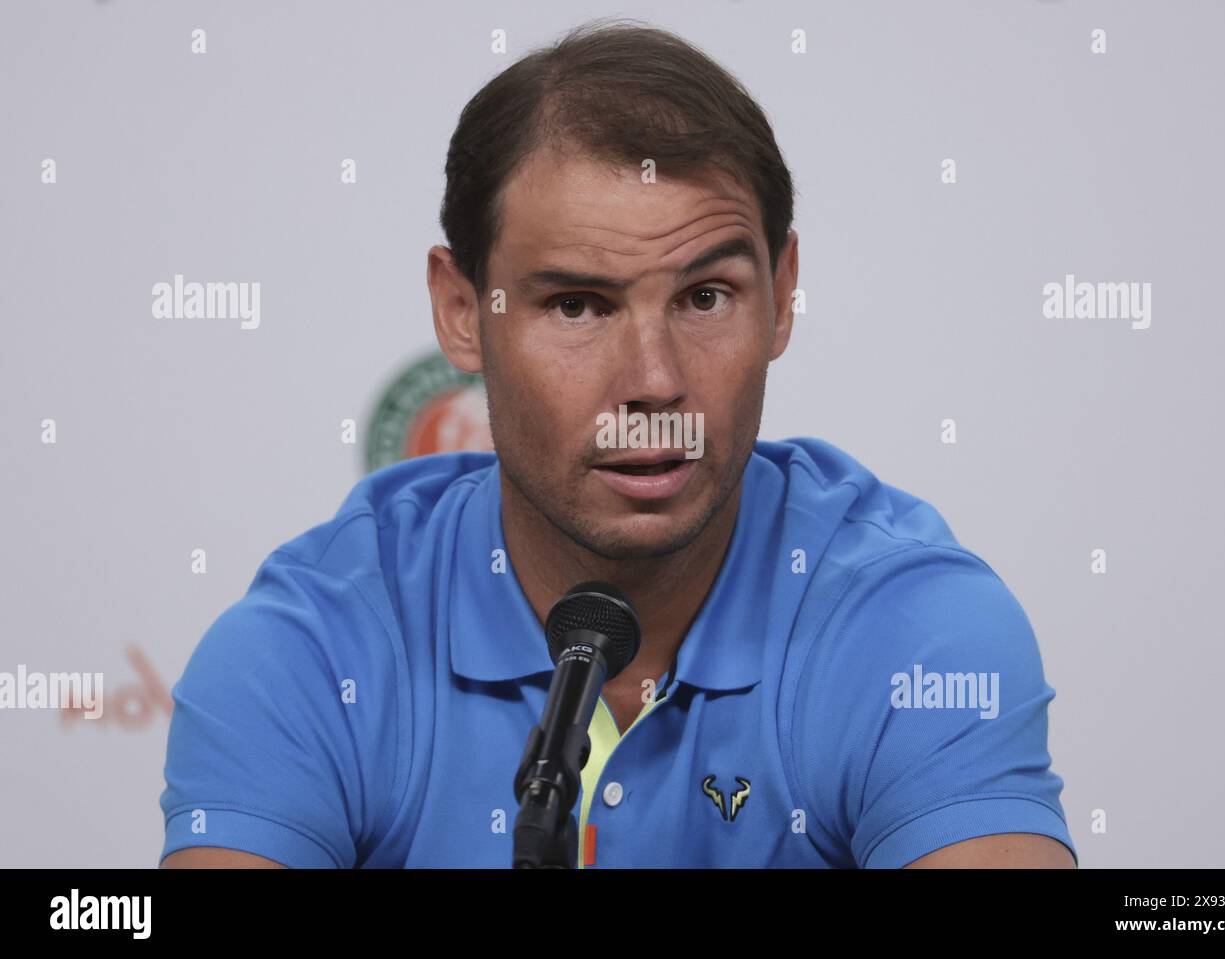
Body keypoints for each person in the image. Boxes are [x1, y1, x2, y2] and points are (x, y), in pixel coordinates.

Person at [160, 18, 1076, 869]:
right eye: (577, 305)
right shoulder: (318, 647)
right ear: (462, 311)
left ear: (783, 290)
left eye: (705, 297)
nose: (654, 381)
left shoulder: (915, 630)